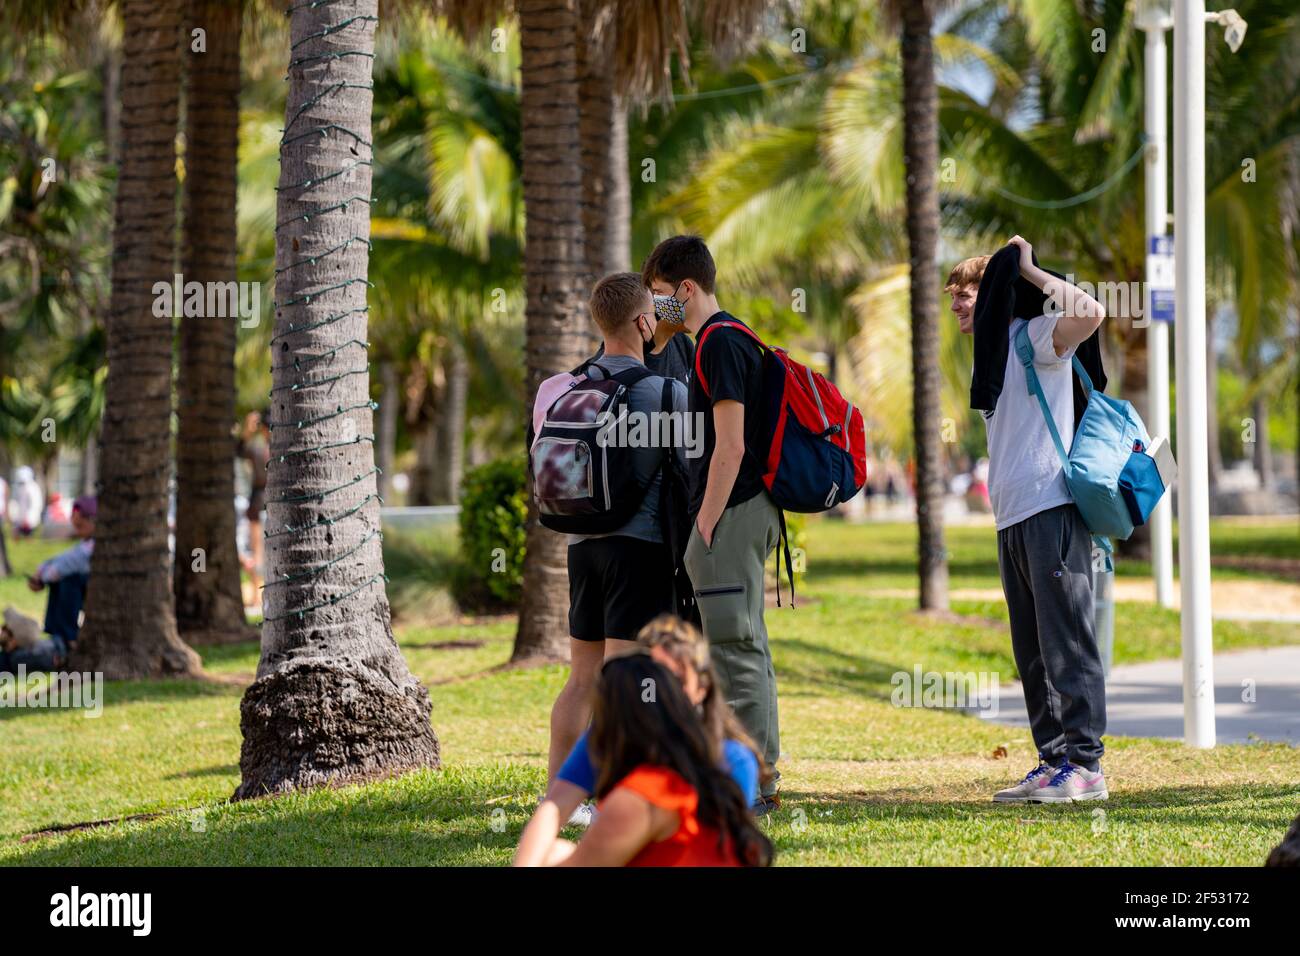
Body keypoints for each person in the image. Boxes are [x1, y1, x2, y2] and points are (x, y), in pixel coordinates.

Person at [947, 235, 1110, 803]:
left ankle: (1087, 766)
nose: (957, 304)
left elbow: (1091, 313)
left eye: (967, 292)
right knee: (1031, 648)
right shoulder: (991, 355)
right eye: (953, 295)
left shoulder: (1034, 337)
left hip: (1051, 505)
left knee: (1067, 636)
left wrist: (1030, 270)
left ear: (996, 292)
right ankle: (1054, 758)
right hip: (1011, 515)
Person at [642, 235, 783, 813]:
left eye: (657, 296)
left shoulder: (719, 343)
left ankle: (748, 785)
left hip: (731, 511)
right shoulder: (728, 338)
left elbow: (729, 448)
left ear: (686, 289)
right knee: (745, 643)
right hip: (749, 509)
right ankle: (760, 775)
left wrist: (702, 528)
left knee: (731, 648)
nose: (653, 310)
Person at [542, 273, 690, 811]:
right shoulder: (669, 391)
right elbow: (687, 471)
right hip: (640, 549)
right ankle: (613, 798)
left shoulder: (561, 388)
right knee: (627, 681)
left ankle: (559, 796)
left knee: (582, 678)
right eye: (654, 311)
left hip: (582, 548)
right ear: (643, 321)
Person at [515, 614, 769, 866]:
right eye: (654, 676)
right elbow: (553, 808)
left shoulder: (728, 761)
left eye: (676, 680)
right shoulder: (610, 738)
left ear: (702, 688)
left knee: (556, 855)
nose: (662, 690)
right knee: (553, 852)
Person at [0, 495, 95, 673]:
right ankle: (60, 635)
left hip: (88, 591)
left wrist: (43, 577)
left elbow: (69, 563)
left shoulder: (98, 546)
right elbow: (64, 558)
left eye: (80, 525)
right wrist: (42, 570)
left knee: (67, 578)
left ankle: (67, 638)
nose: (77, 530)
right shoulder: (86, 543)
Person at [236, 410, 270, 607]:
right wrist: (248, 429)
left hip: (262, 499)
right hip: (258, 500)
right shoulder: (258, 449)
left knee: (260, 552)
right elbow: (239, 449)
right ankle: (258, 594)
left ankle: (260, 593)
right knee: (257, 552)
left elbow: (239, 449)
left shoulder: (265, 448)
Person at [8, 466, 43, 538]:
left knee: (28, 533)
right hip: (21, 516)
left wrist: (28, 517)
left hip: (29, 517)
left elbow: (35, 504)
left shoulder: (33, 487)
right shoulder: (20, 487)